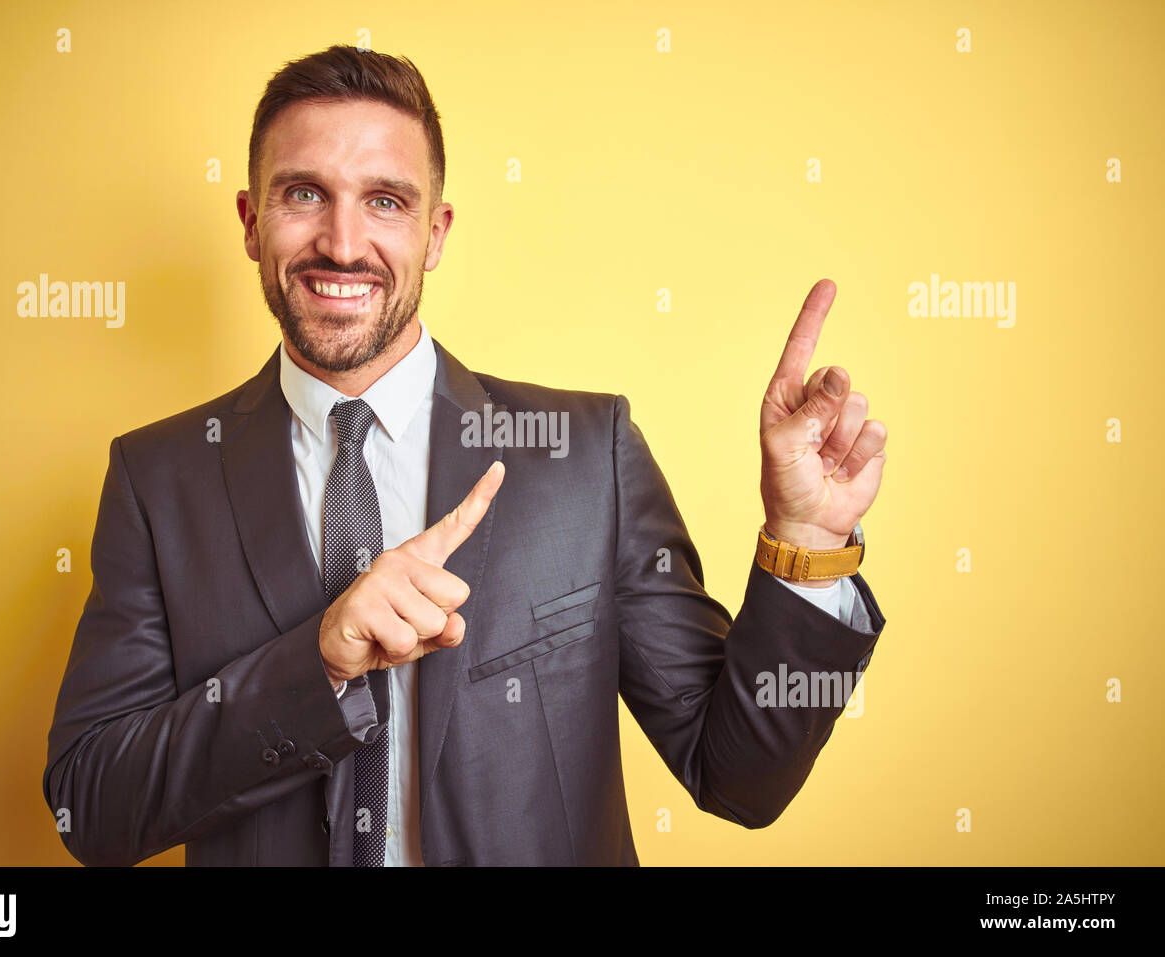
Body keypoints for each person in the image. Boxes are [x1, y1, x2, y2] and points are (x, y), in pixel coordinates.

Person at [43, 44, 889, 866]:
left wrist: (806, 546)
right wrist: (317, 662)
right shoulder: (158, 479)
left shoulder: (585, 456)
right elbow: (92, 805)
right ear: (250, 222)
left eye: (386, 201)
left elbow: (738, 777)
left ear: (436, 232)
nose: (343, 243)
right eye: (304, 193)